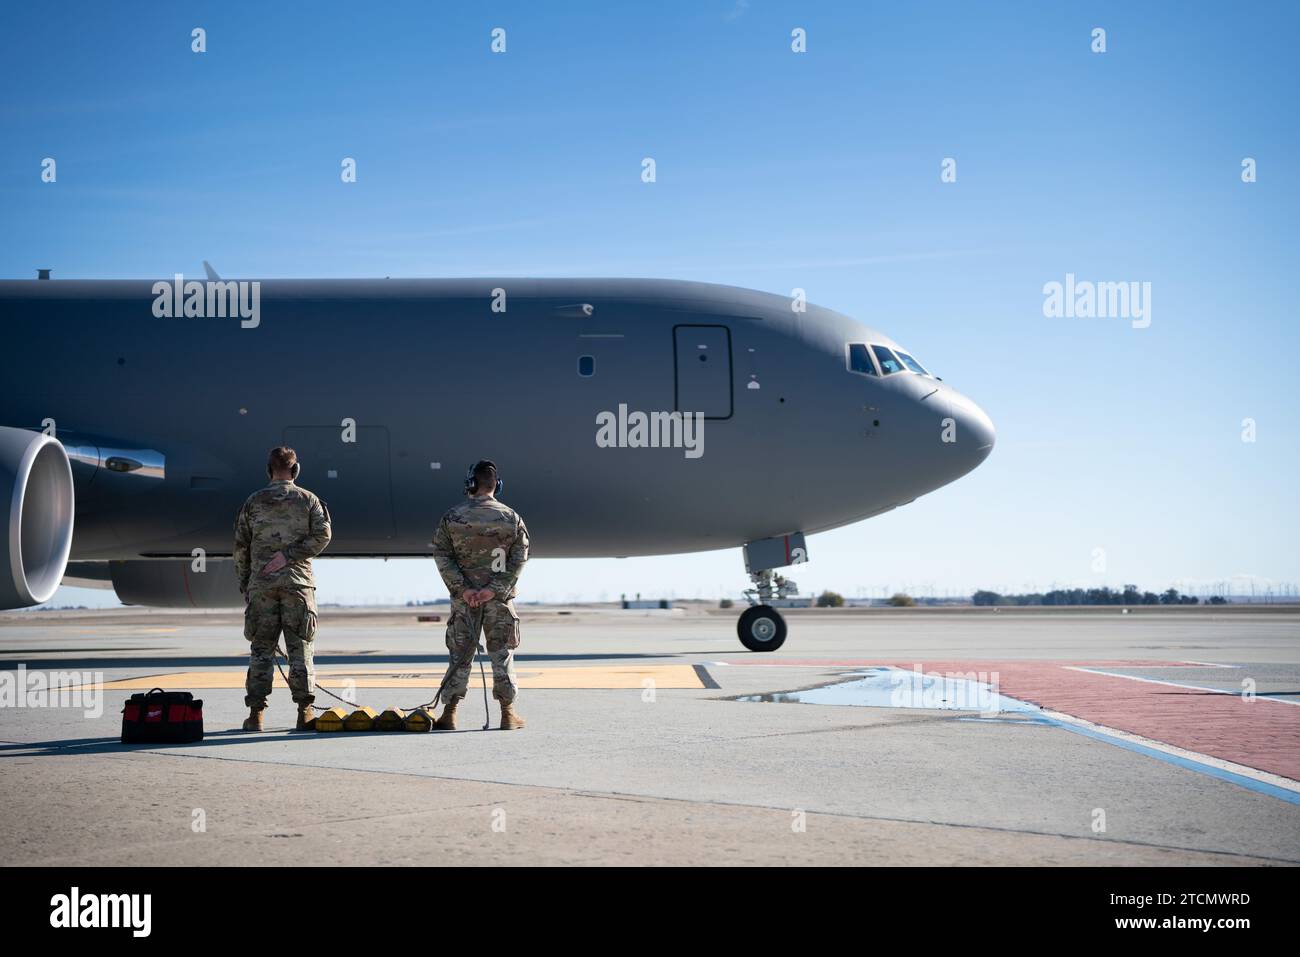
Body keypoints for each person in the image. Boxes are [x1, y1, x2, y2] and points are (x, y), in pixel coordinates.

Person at [233, 447, 332, 731]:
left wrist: (247, 583)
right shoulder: (308, 500)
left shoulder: (253, 502)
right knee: (300, 649)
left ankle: (256, 716)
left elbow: (241, 547)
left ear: (268, 470)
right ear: (296, 470)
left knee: (261, 650)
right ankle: (305, 713)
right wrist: (290, 555)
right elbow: (323, 535)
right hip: (298, 586)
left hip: (262, 587)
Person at [431, 460, 530, 730]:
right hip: (498, 603)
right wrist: (493, 590)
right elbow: (520, 559)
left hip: (465, 602)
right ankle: (508, 714)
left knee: (460, 656)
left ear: (470, 484)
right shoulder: (512, 518)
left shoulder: (452, 517)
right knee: (501, 655)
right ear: (496, 485)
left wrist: (464, 589)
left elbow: (442, 555)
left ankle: (449, 713)